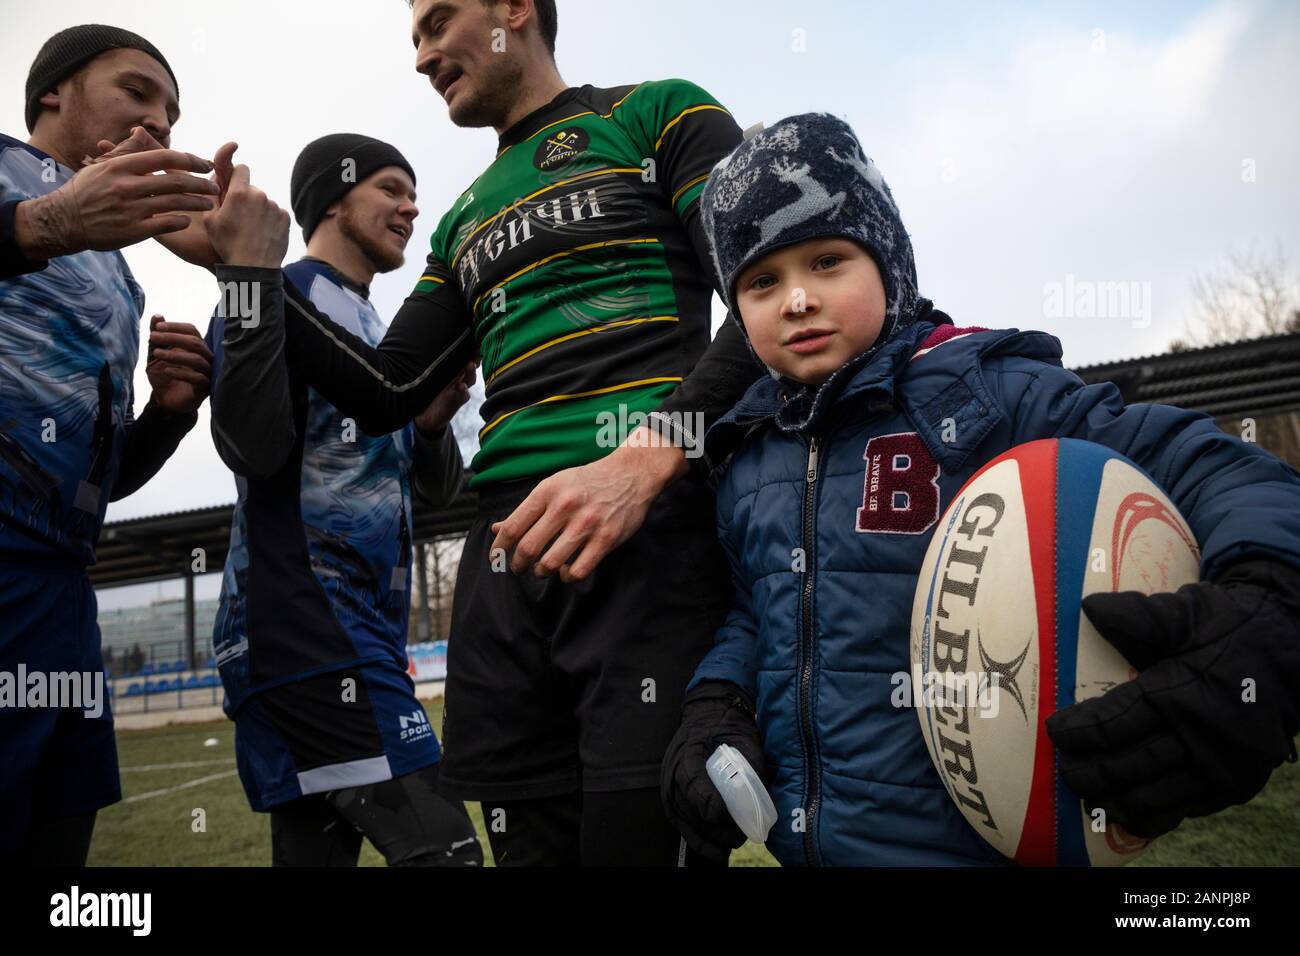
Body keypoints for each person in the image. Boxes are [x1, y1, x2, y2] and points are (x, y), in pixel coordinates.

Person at [206, 0, 764, 865]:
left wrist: (645, 462)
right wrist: (243, 273)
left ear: (513, 10)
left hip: (646, 534)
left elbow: (762, 302)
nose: (424, 56)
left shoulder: (658, 112)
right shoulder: (464, 214)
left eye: (436, 23)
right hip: (503, 562)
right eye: (415, 38)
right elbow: (386, 389)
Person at [660, 113, 1300, 866]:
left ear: (890, 261)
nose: (796, 299)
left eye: (827, 261)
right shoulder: (747, 456)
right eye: (762, 281)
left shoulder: (990, 391)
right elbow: (754, 615)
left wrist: (1269, 603)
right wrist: (717, 703)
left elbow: (1212, 466)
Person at [204, 134, 482, 867]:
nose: (410, 206)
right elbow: (250, 448)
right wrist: (242, 279)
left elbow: (433, 491)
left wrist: (426, 427)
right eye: (390, 188)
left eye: (413, 192)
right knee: (445, 849)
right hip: (306, 626)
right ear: (333, 198)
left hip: (356, 631)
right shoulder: (275, 289)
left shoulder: (376, 330)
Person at [0, 24, 220, 865]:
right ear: (51, 91)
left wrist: (168, 413)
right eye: (137, 92)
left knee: (58, 845)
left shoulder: (125, 277)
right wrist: (41, 223)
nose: (160, 122)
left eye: (173, 112)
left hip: (64, 595)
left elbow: (102, 477)